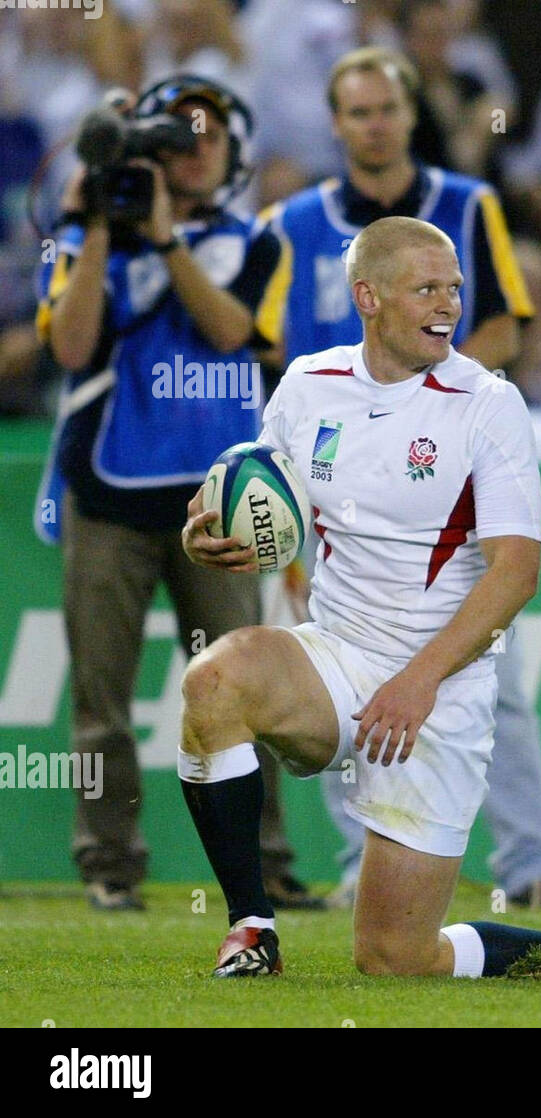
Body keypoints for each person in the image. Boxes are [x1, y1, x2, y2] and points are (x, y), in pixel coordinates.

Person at [176, 216, 541, 978]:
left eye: (455, 289)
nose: (448, 305)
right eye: (427, 288)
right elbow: (251, 504)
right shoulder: (308, 385)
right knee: (212, 683)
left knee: (395, 960)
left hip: (440, 688)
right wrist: (204, 537)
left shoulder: (486, 405)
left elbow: (516, 572)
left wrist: (418, 682)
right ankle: (252, 929)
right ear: (368, 296)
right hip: (333, 656)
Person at [262, 46, 541, 909]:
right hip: (330, 480)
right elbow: (264, 344)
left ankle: (529, 863)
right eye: (357, 112)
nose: (375, 124)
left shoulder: (467, 204)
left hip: (441, 476)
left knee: (489, 672)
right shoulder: (292, 222)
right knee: (329, 667)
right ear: (337, 124)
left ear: (411, 115)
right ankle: (357, 863)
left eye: (388, 108)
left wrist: (427, 404)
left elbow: (507, 326)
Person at [34, 74, 316, 911]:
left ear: (234, 154)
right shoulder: (91, 242)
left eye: (210, 136)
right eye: (176, 136)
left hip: (222, 503)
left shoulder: (258, 241)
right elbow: (74, 345)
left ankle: (266, 866)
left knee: (250, 687)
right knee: (101, 700)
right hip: (108, 492)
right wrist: (91, 222)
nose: (194, 150)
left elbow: (237, 333)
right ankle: (110, 867)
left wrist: (162, 242)